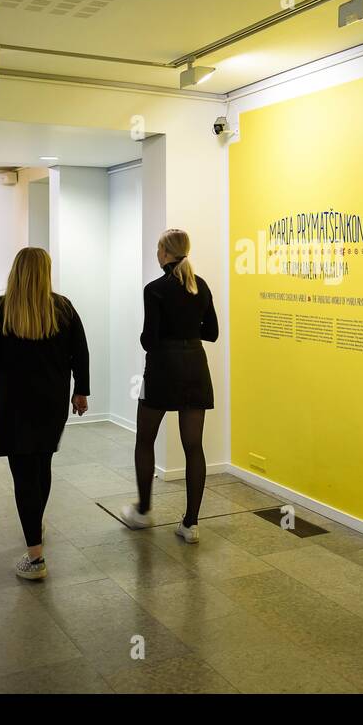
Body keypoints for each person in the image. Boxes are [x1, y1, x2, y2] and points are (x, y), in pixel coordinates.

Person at [0, 247, 89, 580]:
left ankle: (35, 558)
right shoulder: (63, 308)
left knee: (22, 475)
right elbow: (81, 354)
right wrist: (80, 392)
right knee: (42, 465)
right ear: (45, 271)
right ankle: (36, 524)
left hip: (14, 404)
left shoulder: (3, 308)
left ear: (17, 271)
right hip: (51, 402)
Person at [120, 229, 217, 543]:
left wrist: (167, 336)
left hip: (161, 370)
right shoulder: (200, 285)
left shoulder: (154, 289)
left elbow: (149, 339)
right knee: (194, 447)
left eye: (158, 248)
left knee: (145, 438)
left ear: (164, 252)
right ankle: (191, 524)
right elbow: (212, 332)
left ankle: (144, 511)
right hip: (196, 369)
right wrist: (188, 332)